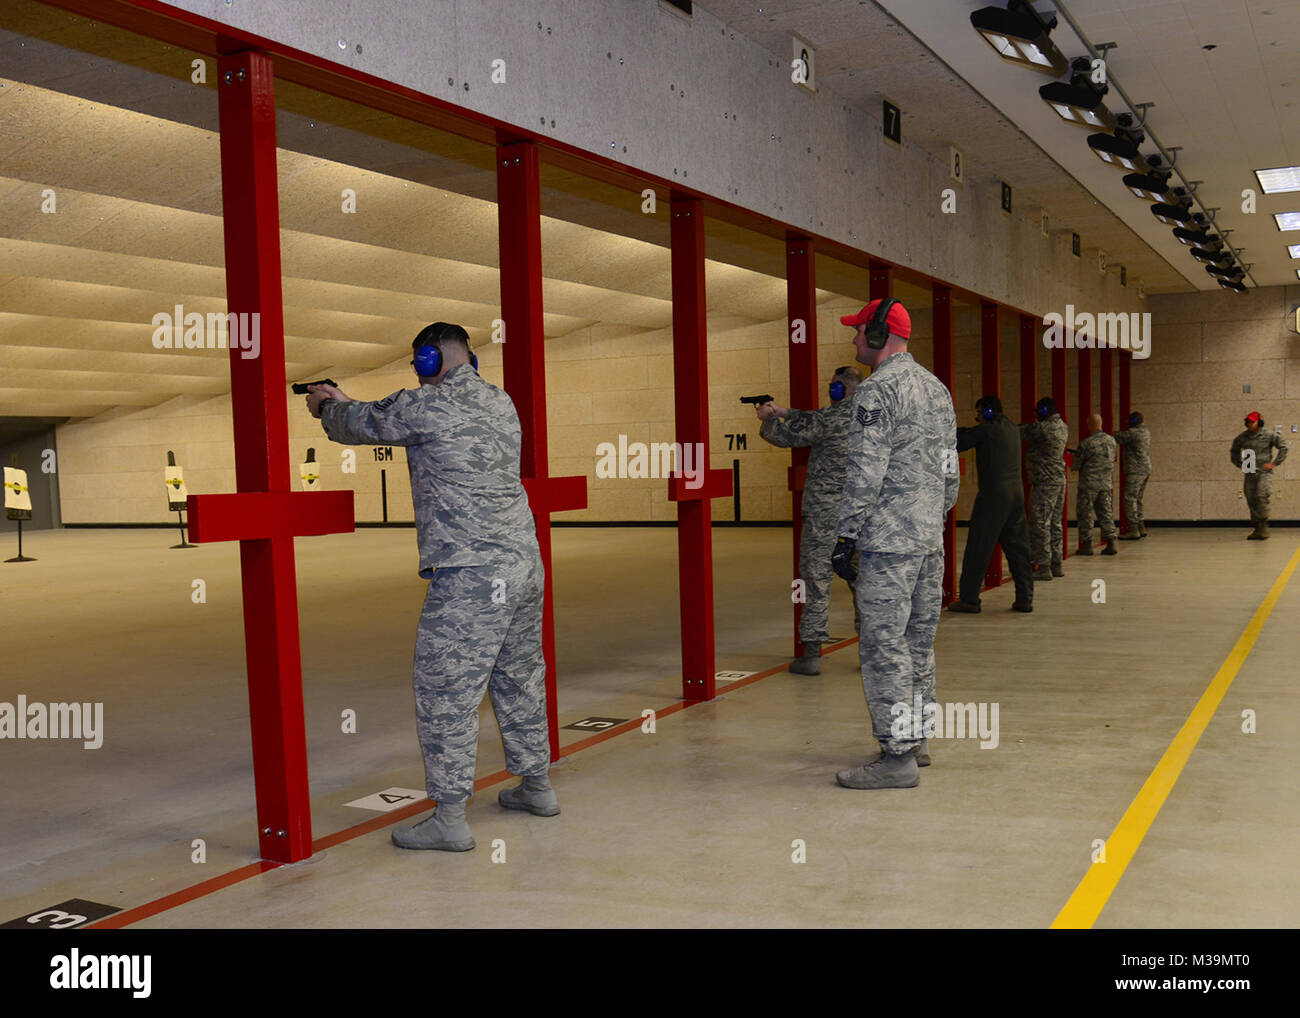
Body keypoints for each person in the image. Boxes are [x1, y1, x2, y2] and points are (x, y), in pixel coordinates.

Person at [306, 322, 554, 852]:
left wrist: (327, 404)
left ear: (426, 360)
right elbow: (388, 416)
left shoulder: (427, 404)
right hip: (524, 565)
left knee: (447, 690)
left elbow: (358, 425)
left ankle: (449, 818)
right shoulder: (500, 402)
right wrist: (351, 401)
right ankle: (537, 785)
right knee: (520, 675)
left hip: (471, 573)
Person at [830, 298, 959, 789]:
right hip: (930, 541)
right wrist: (931, 515)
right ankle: (917, 738)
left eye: (860, 330)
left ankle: (897, 758)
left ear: (880, 334)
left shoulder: (875, 392)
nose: (854, 339)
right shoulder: (937, 389)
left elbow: (864, 475)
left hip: (888, 544)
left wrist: (846, 535)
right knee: (918, 641)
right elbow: (951, 471)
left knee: (884, 645)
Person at [756, 366, 864, 674]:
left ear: (838, 390)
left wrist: (769, 418)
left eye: (833, 387)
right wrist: (783, 409)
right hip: (860, 514)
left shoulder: (828, 420)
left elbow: (785, 436)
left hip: (824, 514)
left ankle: (812, 654)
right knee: (862, 580)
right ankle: (870, 650)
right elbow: (814, 417)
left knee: (816, 581)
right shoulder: (870, 419)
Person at [947, 394, 1033, 614]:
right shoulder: (1013, 428)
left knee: (978, 547)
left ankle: (969, 599)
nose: (977, 417)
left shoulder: (987, 430)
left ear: (987, 412)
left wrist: (942, 430)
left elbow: (961, 441)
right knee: (1018, 549)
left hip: (994, 496)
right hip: (1016, 494)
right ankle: (1025, 598)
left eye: (978, 412)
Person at [1020, 396, 1069, 581]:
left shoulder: (1042, 428)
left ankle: (1043, 566)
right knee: (1055, 523)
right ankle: (1056, 564)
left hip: (1045, 482)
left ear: (1044, 411)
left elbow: (1019, 432)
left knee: (1040, 522)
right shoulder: (1063, 426)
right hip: (1058, 480)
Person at [1230, 411, 1288, 540]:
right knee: (1250, 497)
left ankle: (1263, 526)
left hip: (1264, 472)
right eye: (1247, 422)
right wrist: (1239, 464)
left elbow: (1283, 447)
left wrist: (1274, 463)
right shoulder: (1242, 437)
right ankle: (1257, 526)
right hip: (1250, 472)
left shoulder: (1268, 435)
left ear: (1259, 422)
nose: (1249, 424)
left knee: (1261, 495)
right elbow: (1234, 450)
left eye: (1252, 421)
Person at [1072, 413, 1118, 556]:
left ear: (1090, 425)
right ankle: (1111, 543)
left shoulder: (1086, 443)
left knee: (1085, 513)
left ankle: (1086, 546)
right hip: (1105, 483)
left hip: (1088, 484)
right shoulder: (1112, 441)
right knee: (1105, 513)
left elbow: (1076, 465)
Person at [1114, 411, 1152, 539]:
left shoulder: (1133, 433)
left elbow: (1117, 437)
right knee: (1138, 498)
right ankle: (1141, 527)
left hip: (1136, 471)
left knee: (1129, 498)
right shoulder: (1146, 431)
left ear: (1134, 421)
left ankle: (1134, 530)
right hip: (1145, 469)